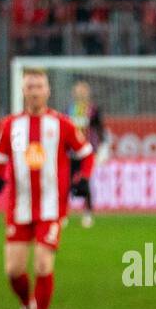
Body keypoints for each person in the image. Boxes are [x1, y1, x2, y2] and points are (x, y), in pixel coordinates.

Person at [0, 66, 93, 309]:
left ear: (48, 90)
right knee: (13, 269)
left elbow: (86, 153)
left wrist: (82, 179)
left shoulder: (61, 124)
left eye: (39, 86)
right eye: (30, 86)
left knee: (43, 264)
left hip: (52, 207)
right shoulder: (11, 125)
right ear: (23, 91)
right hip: (19, 207)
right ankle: (27, 306)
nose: (34, 91)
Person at [67, 80, 105, 229]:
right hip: (70, 152)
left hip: (88, 152)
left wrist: (102, 148)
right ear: (73, 93)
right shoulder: (68, 110)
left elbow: (99, 129)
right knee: (66, 183)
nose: (80, 93)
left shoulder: (93, 110)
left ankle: (88, 213)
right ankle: (63, 213)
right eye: (78, 90)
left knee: (86, 182)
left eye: (83, 90)